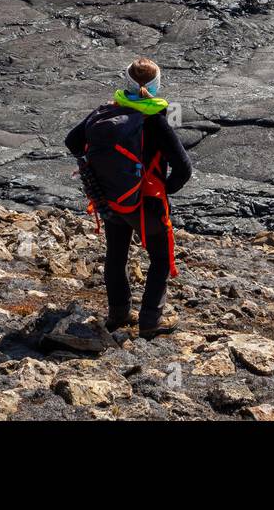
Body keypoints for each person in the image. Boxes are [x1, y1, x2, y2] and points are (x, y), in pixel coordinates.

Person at [64, 57, 192, 337]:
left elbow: (72, 141)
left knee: (116, 255)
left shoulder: (106, 112)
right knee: (159, 258)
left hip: (110, 197)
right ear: (156, 86)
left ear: (126, 82)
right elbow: (184, 168)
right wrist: (164, 188)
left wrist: (97, 169)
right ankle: (149, 323)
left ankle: (118, 315)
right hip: (146, 201)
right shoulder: (155, 121)